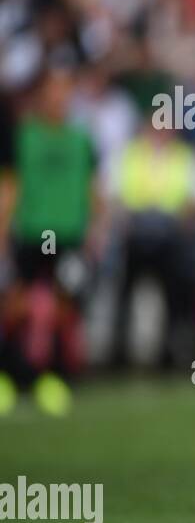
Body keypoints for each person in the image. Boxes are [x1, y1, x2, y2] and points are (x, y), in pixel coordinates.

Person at [0, 67, 98, 416]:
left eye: (65, 91)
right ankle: (10, 374)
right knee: (16, 304)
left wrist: (94, 231)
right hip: (32, 232)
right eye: (54, 91)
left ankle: (53, 377)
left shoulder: (81, 138)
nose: (60, 98)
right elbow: (10, 186)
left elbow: (92, 189)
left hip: (67, 235)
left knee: (63, 307)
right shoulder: (23, 136)